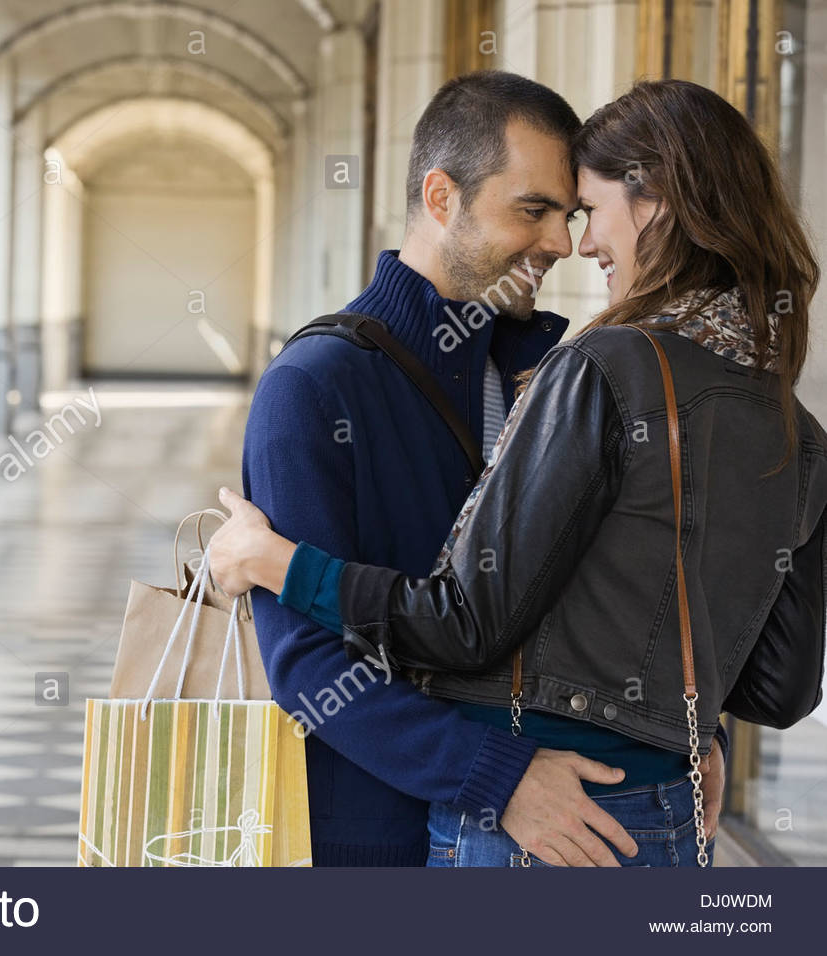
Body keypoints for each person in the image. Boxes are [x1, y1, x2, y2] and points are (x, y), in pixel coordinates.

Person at [210, 79, 824, 867]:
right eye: (533, 210)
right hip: (377, 837)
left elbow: (606, 606)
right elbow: (306, 664)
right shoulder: (317, 384)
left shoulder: (569, 373)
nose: (564, 245)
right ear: (442, 197)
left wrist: (677, 726)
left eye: (572, 215)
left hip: (551, 829)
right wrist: (497, 779)